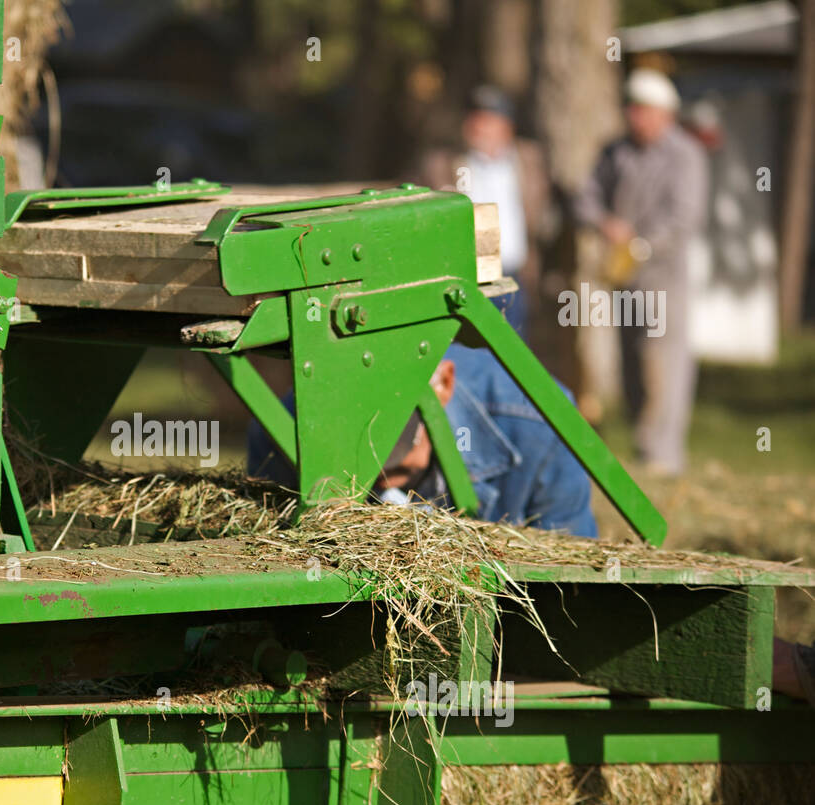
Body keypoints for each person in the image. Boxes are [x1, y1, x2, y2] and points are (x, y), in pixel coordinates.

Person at [247, 342, 598, 538]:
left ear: (443, 385)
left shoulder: (541, 427)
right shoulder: (282, 434)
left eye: (397, 462)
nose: (380, 483)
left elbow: (572, 582)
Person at [575, 68, 709, 477]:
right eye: (632, 109)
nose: (637, 118)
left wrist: (642, 243)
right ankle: (641, 445)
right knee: (631, 361)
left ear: (666, 114)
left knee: (663, 364)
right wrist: (604, 223)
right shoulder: (614, 151)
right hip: (624, 277)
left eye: (645, 110)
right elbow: (585, 198)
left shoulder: (685, 154)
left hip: (664, 278)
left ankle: (664, 455)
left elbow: (685, 216)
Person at [420, 85, 551, 339]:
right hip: (468, 279)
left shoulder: (528, 160)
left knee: (515, 352)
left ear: (506, 126)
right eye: (473, 118)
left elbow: (543, 210)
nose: (477, 127)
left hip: (516, 276)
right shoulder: (444, 164)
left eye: (486, 120)